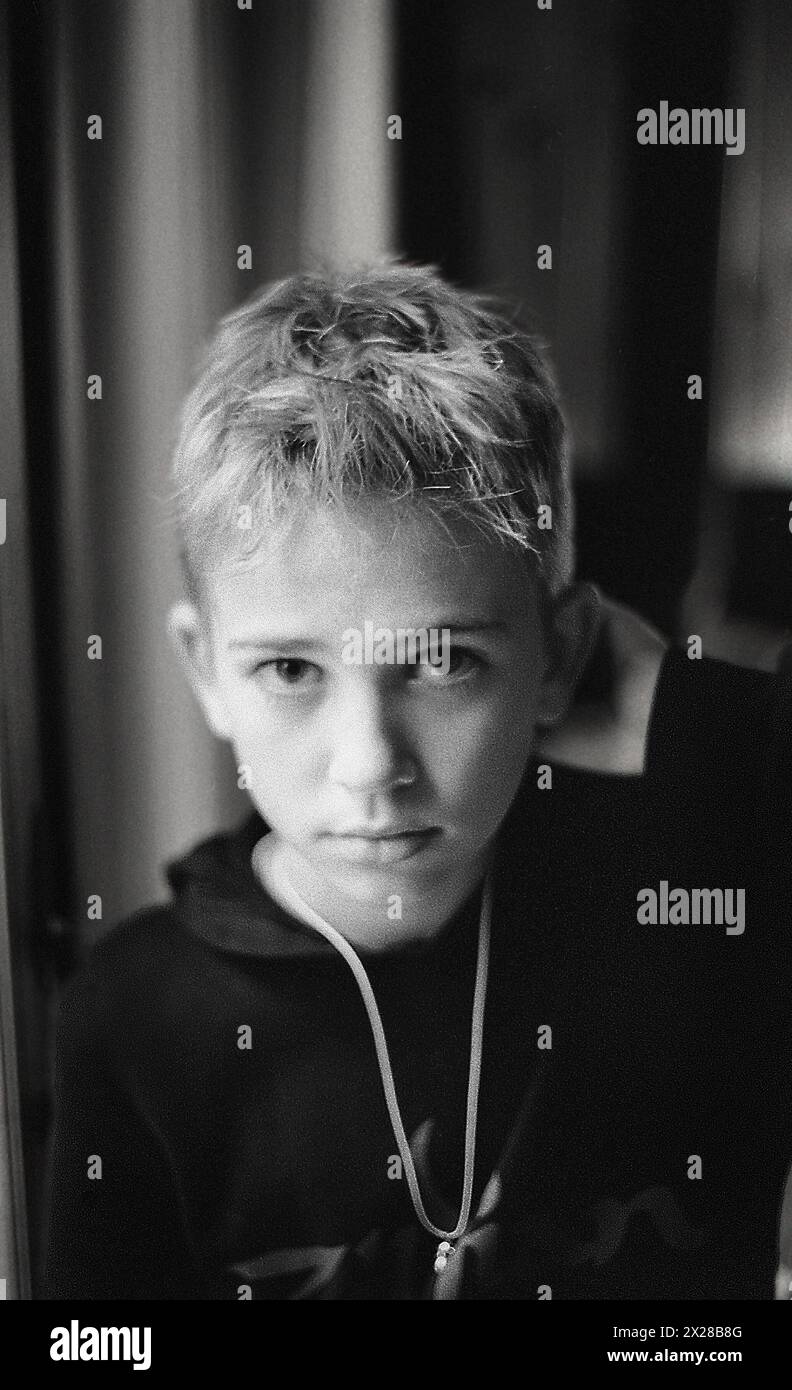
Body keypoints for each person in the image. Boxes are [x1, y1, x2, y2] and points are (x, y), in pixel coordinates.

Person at [45, 264, 792, 1300]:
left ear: (562, 656)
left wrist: (683, 709)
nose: (371, 767)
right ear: (205, 671)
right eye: (293, 669)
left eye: (443, 661)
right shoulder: (130, 1020)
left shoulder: (694, 913)